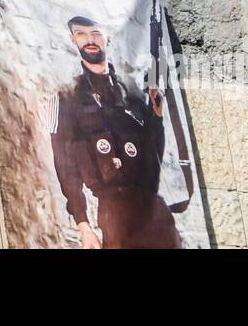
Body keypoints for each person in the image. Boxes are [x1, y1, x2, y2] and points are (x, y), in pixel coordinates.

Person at [49, 16, 182, 249]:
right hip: (113, 211)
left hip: (153, 209)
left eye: (96, 33)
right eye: (81, 34)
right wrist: (84, 226)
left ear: (107, 40)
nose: (90, 39)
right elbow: (66, 164)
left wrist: (156, 118)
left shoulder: (132, 93)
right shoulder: (69, 96)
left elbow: (153, 158)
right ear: (73, 40)